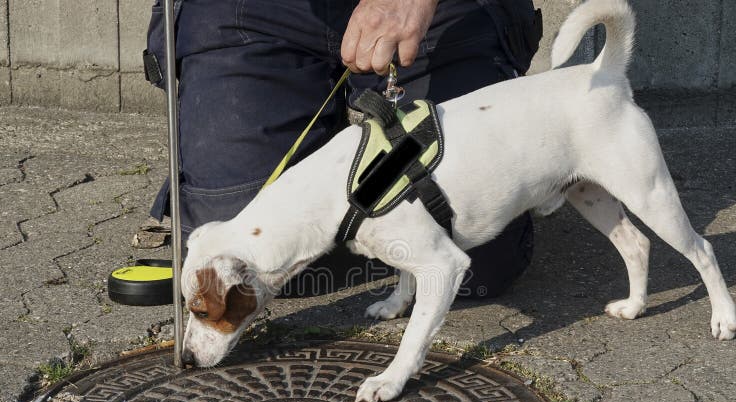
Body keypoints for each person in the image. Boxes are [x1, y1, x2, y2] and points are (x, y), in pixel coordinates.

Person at [142, 0, 541, 298]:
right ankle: (337, 169)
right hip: (258, 10)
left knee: (470, 267)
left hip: (440, 12)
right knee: (249, 267)